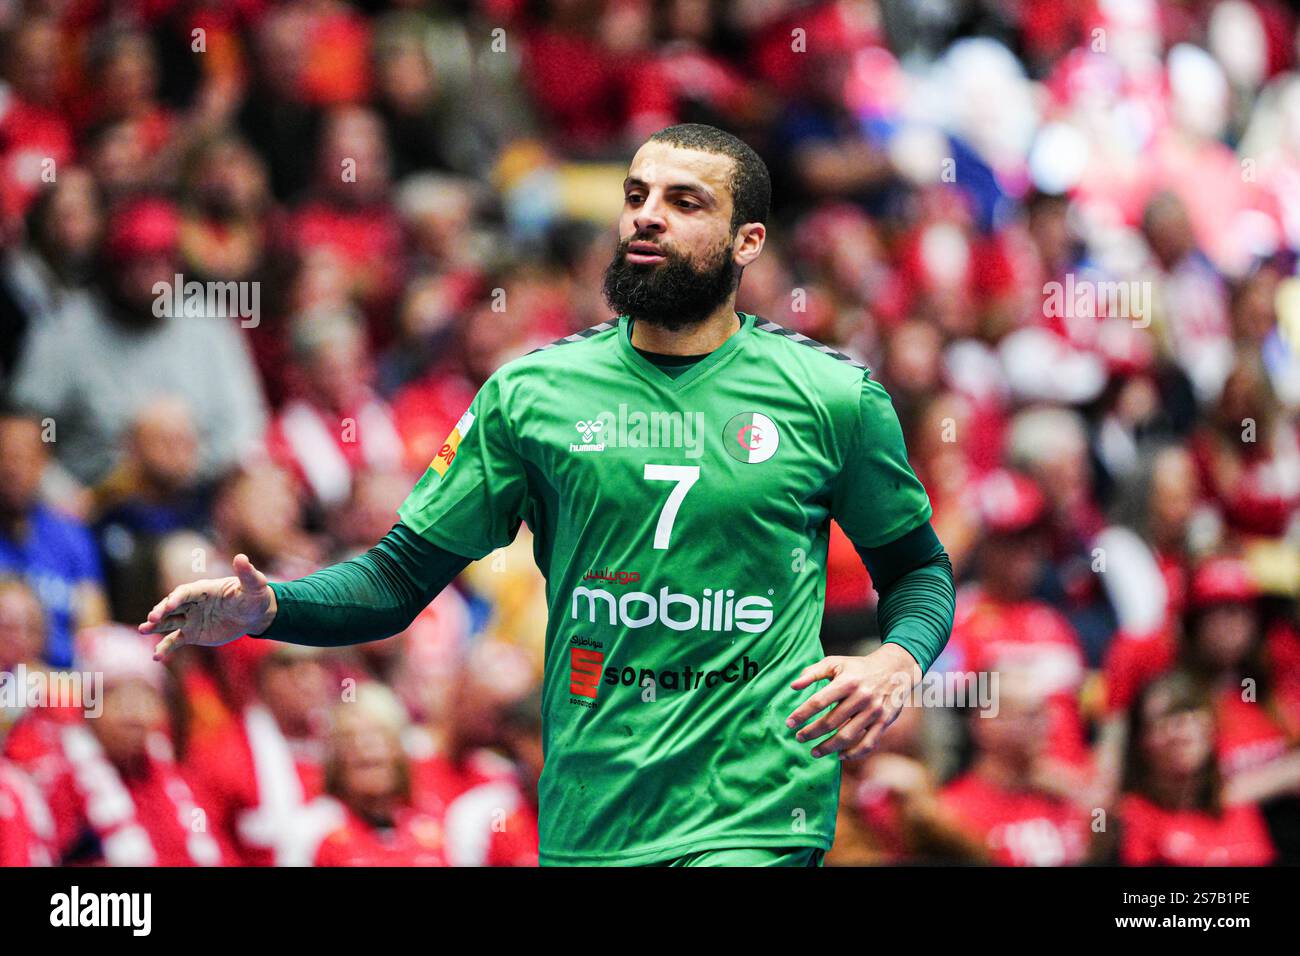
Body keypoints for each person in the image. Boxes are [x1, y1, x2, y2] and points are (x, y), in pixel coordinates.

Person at [143, 124, 956, 867]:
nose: (647, 217)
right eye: (636, 197)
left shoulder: (832, 397)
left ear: (748, 241)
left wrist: (896, 657)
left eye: (684, 202)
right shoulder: (533, 394)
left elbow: (918, 569)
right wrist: (269, 609)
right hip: (590, 814)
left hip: (755, 809)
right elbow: (397, 582)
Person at [1117, 671, 1275, 866]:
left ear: (1212, 729)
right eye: (1162, 721)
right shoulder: (1128, 818)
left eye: (1190, 717)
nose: (1180, 733)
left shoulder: (1238, 806)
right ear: (1141, 740)